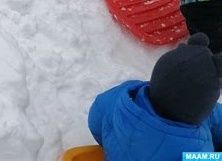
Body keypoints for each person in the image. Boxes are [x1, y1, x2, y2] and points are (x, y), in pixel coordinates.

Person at [88, 33, 222, 159]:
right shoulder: (194, 151)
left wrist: (111, 145)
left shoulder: (125, 95)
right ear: (201, 108)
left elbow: (96, 115)